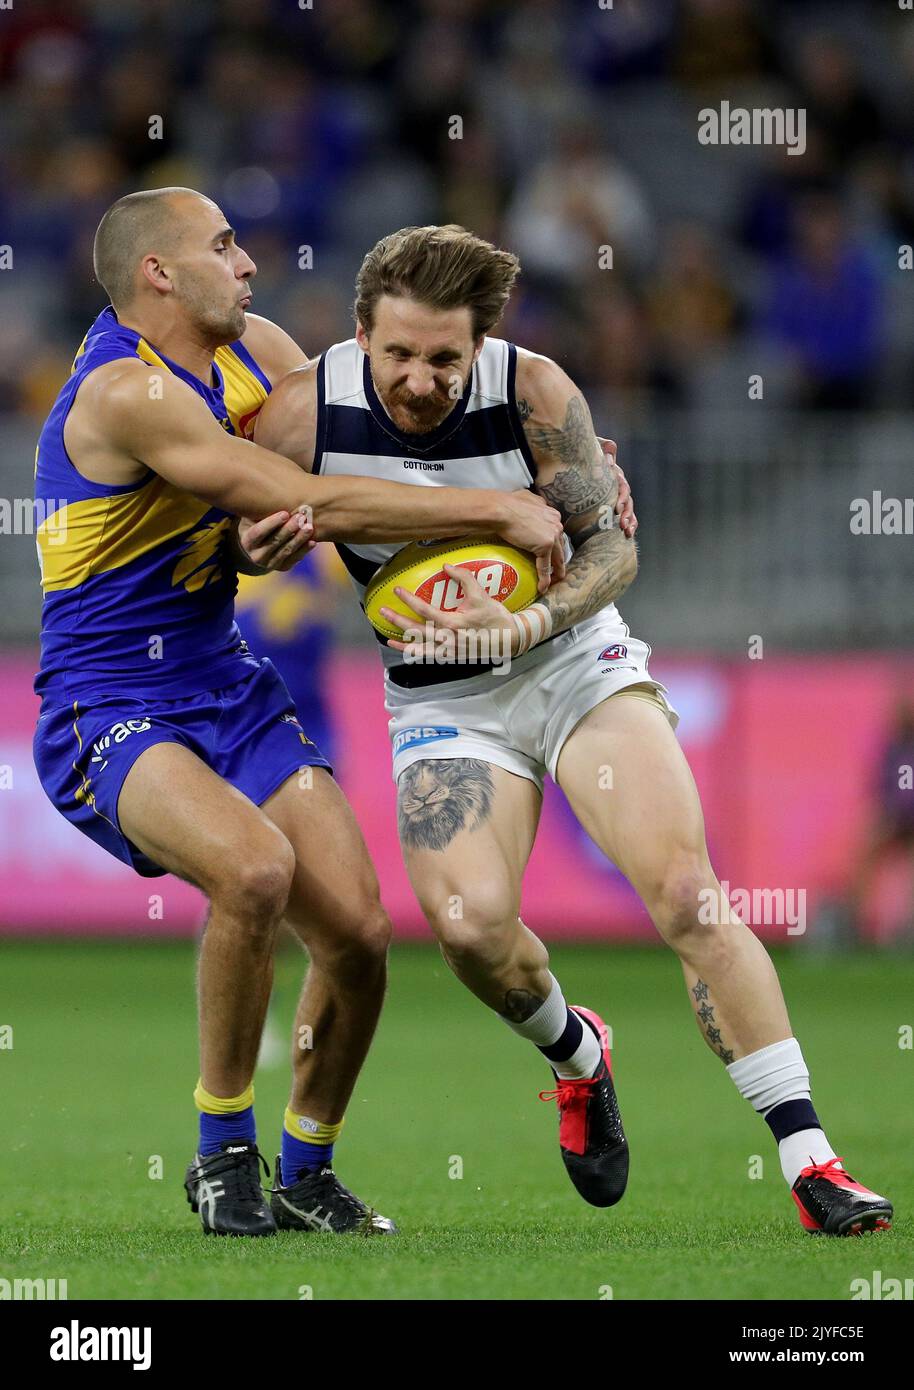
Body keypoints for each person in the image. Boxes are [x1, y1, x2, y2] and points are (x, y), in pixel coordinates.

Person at [254, 223, 893, 1236]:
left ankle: (810, 1161)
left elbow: (609, 553)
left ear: (482, 345)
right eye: (399, 355)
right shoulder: (299, 416)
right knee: (468, 930)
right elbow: (237, 536)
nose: (420, 380)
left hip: (566, 660)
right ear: (360, 332)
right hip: (436, 695)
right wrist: (259, 538)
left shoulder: (535, 391)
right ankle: (578, 1055)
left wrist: (523, 620)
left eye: (444, 360)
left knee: (687, 894)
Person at [31, 188, 568, 1238]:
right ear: (158, 275)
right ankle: (221, 1152)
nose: (246, 263)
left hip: (225, 679)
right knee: (256, 869)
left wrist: (546, 464)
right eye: (222, 246)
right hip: (109, 699)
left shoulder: (262, 351)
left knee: (361, 934)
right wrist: (495, 508)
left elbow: (354, 447)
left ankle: (308, 1169)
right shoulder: (121, 390)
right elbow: (296, 492)